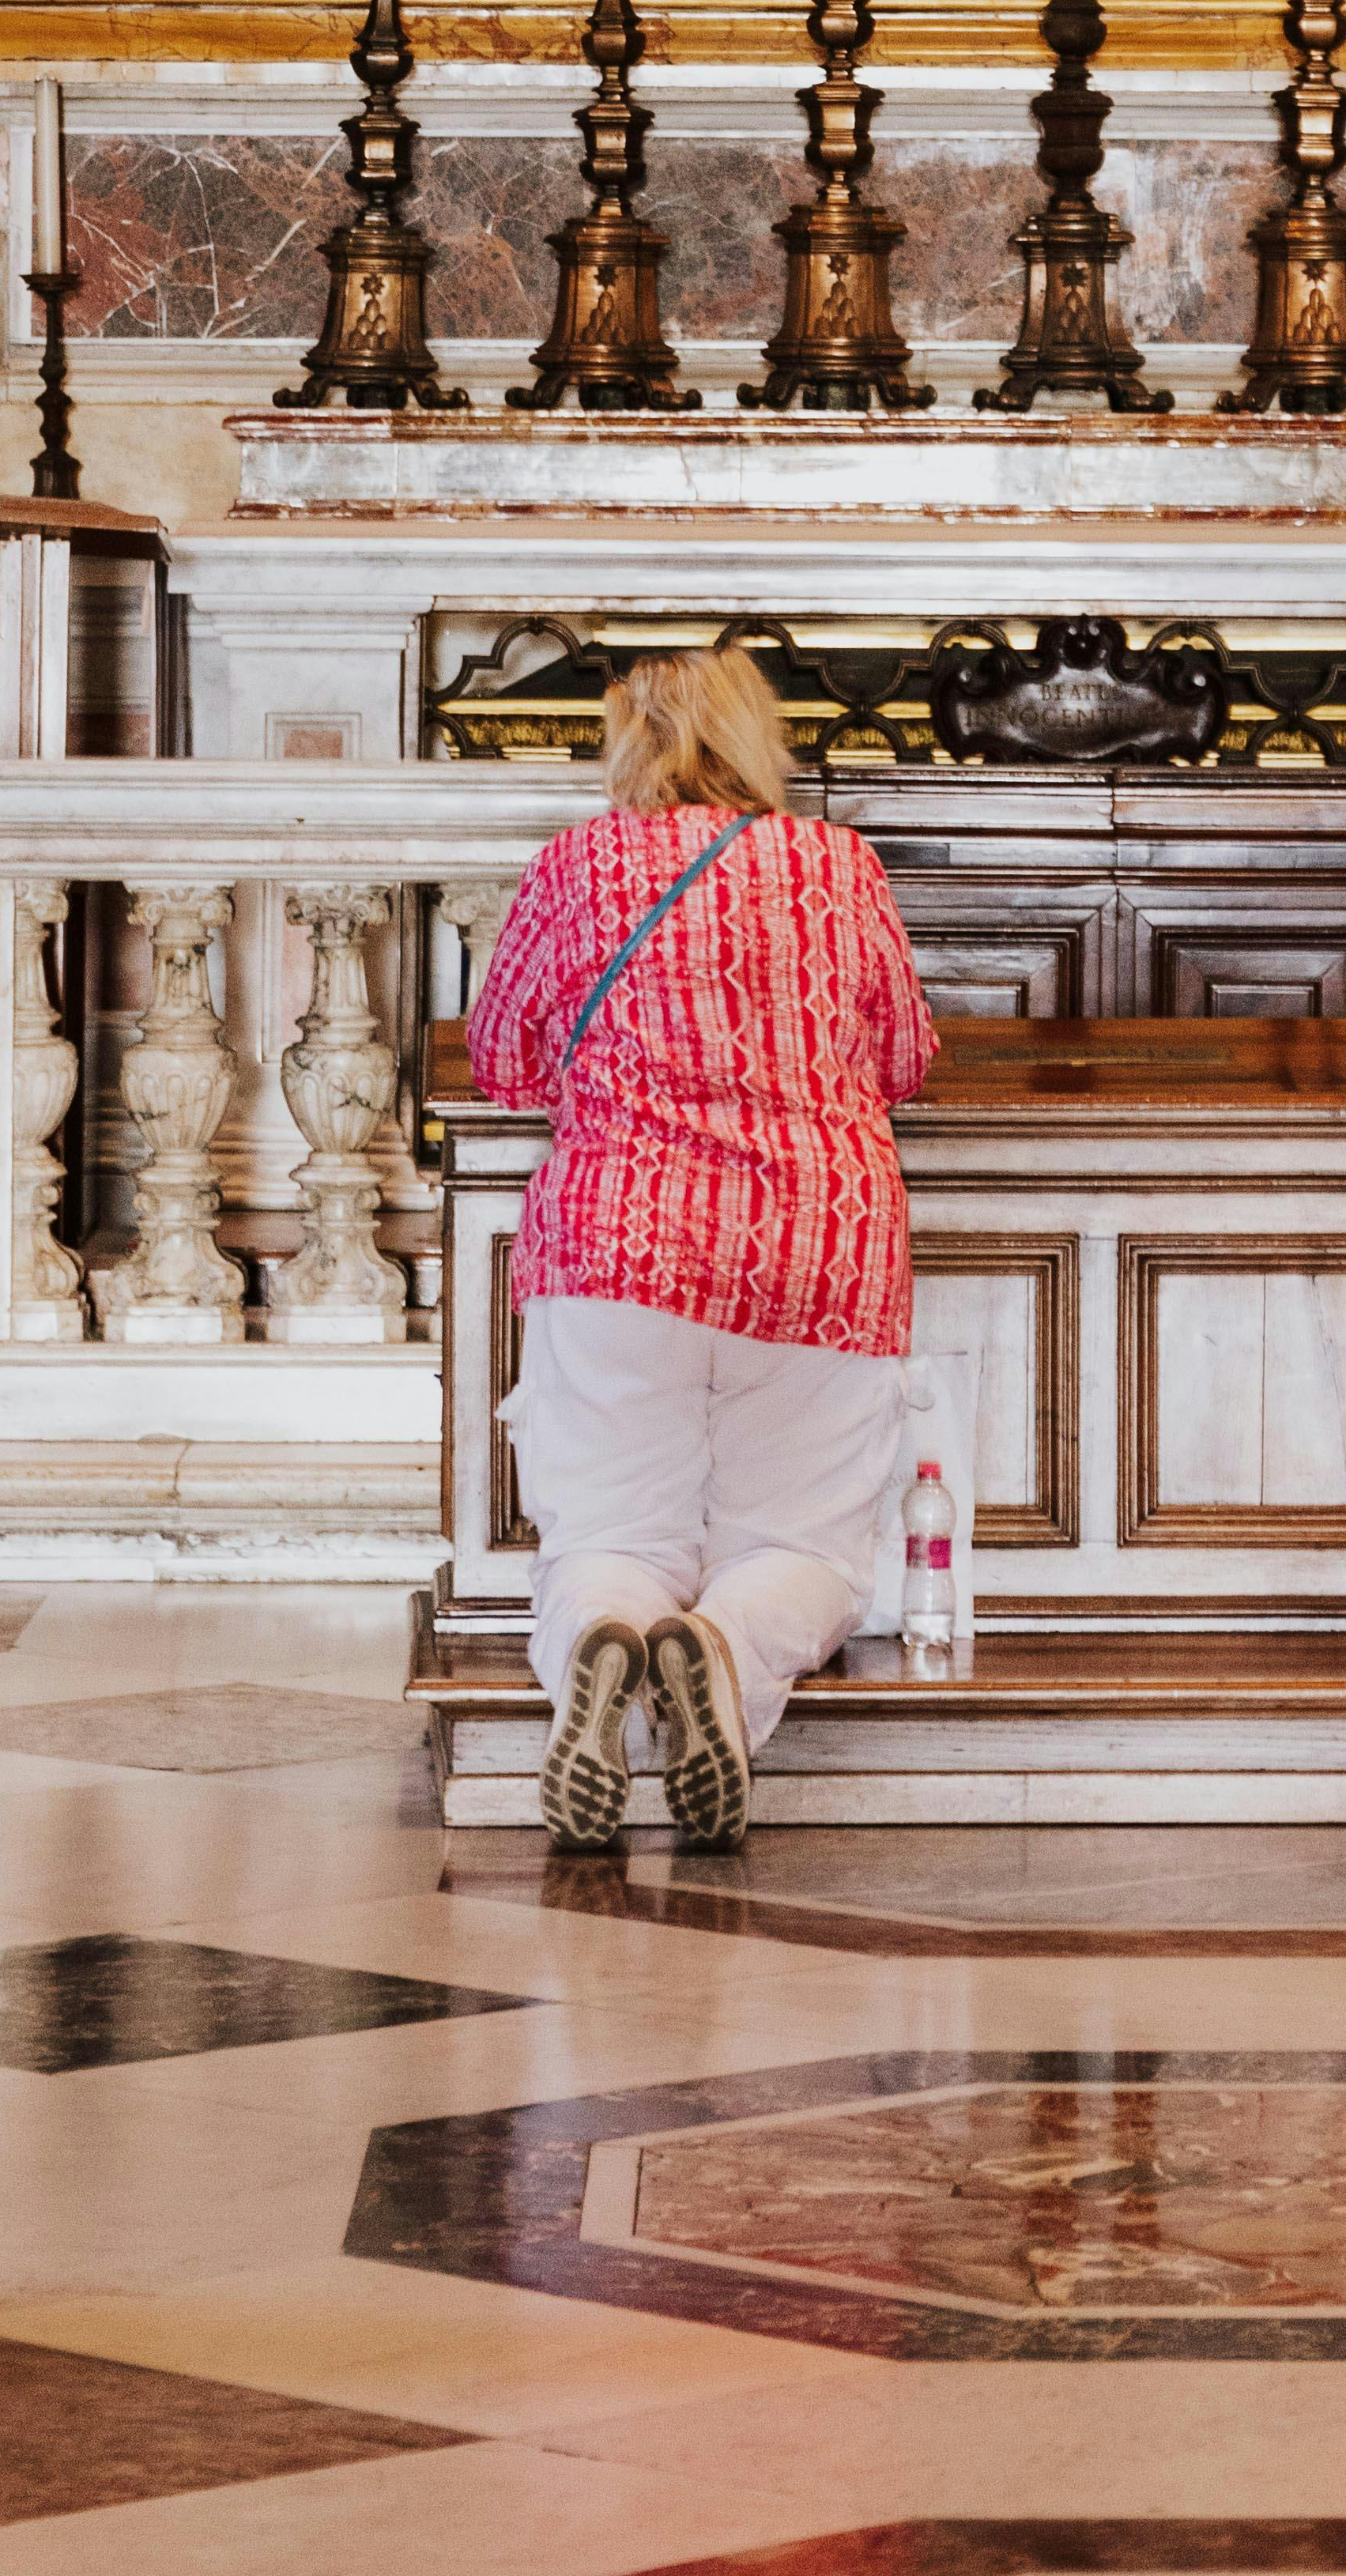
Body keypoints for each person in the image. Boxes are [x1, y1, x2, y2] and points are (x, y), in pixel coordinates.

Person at [466, 645, 938, 1842]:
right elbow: (905, 1061)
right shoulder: (837, 865)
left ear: (627, 741)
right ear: (755, 739)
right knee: (802, 1542)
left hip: (623, 1240)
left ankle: (600, 1647)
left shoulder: (574, 866)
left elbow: (502, 1059)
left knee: (611, 1531)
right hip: (816, 1251)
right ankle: (720, 1656)